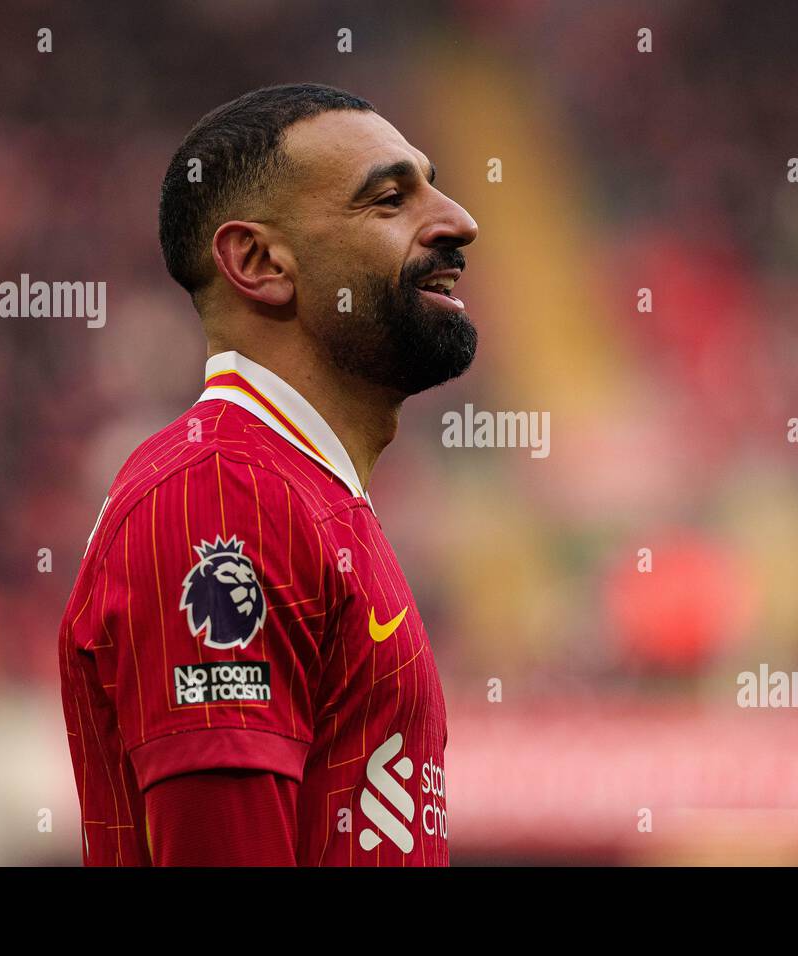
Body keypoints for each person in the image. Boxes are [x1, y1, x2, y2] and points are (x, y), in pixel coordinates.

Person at [58, 83, 477, 865]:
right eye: (390, 198)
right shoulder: (218, 497)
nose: (459, 222)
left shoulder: (301, 492)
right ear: (257, 261)